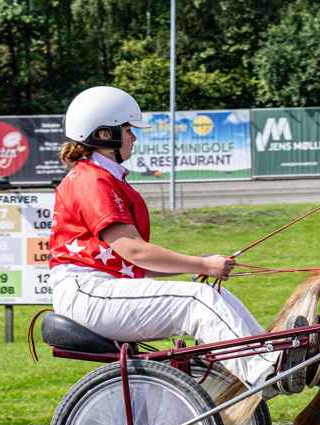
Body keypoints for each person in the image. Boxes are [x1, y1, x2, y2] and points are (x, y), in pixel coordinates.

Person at [49, 86, 278, 394]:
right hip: (88, 292)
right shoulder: (92, 181)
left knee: (210, 294)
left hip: (102, 289)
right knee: (198, 300)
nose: (135, 137)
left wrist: (195, 268)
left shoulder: (102, 177)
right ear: (105, 135)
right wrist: (203, 264)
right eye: (128, 130)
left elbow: (136, 263)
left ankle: (272, 355)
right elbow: (134, 250)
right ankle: (264, 373)